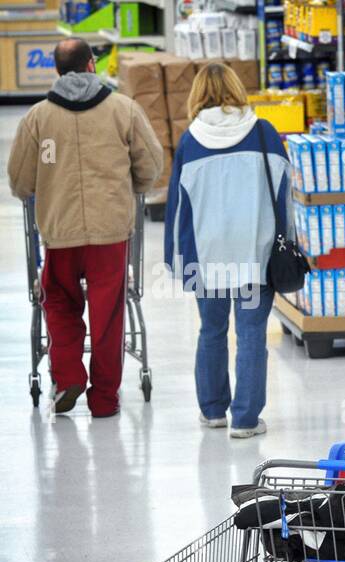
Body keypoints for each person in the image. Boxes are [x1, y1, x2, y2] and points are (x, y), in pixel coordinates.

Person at [7, 38, 163, 418]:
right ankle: (105, 399)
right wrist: (136, 186)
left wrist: (37, 187)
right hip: (110, 232)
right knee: (108, 313)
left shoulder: (38, 117)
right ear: (92, 65)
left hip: (60, 233)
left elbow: (19, 181)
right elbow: (151, 165)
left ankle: (68, 375)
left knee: (58, 299)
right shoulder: (124, 110)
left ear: (58, 71)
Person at [165, 62, 290, 439]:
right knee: (252, 335)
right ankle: (246, 419)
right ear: (237, 89)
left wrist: (176, 259)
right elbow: (284, 197)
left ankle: (214, 410)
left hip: (207, 257)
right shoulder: (265, 134)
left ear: (197, 94)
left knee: (212, 330)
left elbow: (177, 209)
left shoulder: (190, 140)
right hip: (256, 252)